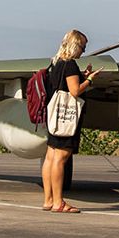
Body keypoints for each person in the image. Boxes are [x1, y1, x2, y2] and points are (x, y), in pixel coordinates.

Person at [41, 30, 95, 213]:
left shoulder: (56, 63)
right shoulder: (70, 65)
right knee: (61, 159)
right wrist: (89, 79)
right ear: (75, 45)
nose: (83, 51)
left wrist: (82, 75)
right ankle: (59, 202)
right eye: (83, 47)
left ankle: (48, 200)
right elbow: (75, 91)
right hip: (66, 118)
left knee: (50, 157)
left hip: (53, 115)